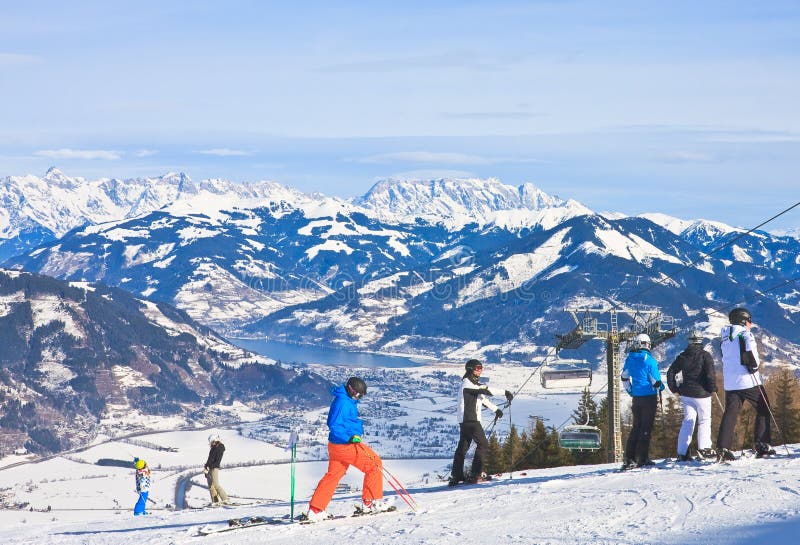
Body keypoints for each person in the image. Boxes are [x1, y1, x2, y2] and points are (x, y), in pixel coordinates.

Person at [303, 377, 391, 522]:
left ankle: (316, 510)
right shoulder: (343, 402)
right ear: (350, 389)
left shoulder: (347, 399)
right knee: (374, 464)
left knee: (333, 475)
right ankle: (371, 503)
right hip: (345, 445)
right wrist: (349, 438)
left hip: (337, 445)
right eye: (358, 394)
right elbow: (334, 424)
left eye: (361, 395)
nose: (359, 397)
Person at [716, 307, 776, 461]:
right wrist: (754, 367)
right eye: (749, 320)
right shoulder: (745, 334)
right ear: (743, 320)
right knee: (764, 408)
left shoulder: (724, 337)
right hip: (749, 381)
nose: (751, 323)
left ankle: (723, 448)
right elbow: (751, 352)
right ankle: (762, 444)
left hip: (731, 383)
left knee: (730, 414)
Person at [449, 359, 514, 486]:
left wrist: (496, 410)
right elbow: (485, 390)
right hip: (471, 419)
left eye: (481, 368)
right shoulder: (467, 384)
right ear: (470, 369)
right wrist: (505, 392)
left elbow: (482, 399)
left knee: (463, 448)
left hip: (465, 421)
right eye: (478, 368)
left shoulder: (472, 384)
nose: (480, 370)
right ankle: (475, 474)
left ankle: (456, 476)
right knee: (483, 444)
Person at [667, 331, 717, 461]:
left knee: (688, 421)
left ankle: (682, 452)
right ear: (701, 341)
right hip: (702, 394)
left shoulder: (682, 357)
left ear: (689, 341)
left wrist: (675, 389)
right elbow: (710, 374)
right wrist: (712, 388)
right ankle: (704, 449)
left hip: (686, 394)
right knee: (704, 420)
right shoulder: (705, 356)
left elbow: (670, 373)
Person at [620, 333, 665, 469]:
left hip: (637, 398)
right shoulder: (649, 360)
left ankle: (629, 457)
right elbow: (656, 381)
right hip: (649, 397)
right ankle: (642, 457)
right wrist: (661, 387)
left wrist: (630, 391)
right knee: (646, 428)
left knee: (636, 427)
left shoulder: (630, 359)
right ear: (646, 344)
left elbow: (624, 377)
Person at [204, 434, 229, 505]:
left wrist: (209, 467)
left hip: (214, 468)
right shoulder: (213, 448)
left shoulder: (219, 448)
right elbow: (209, 459)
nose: (211, 444)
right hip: (209, 468)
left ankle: (226, 499)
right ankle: (215, 502)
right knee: (211, 486)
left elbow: (217, 461)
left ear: (216, 440)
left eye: (212, 442)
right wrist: (206, 467)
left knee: (216, 485)